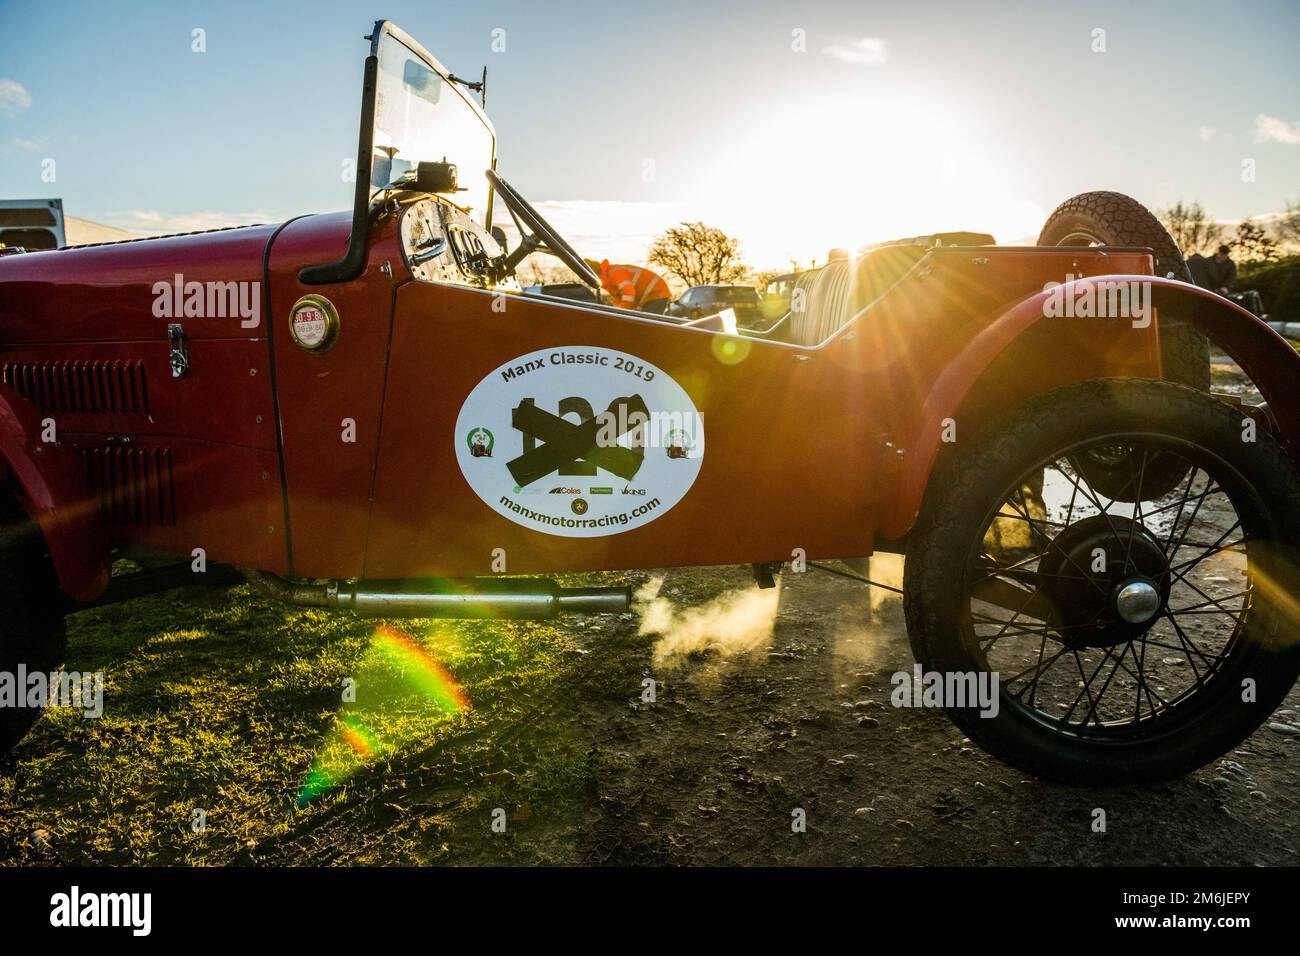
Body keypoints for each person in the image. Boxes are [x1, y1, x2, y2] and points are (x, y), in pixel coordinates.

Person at [586, 259, 673, 313]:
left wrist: (622, 312)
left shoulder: (615, 273)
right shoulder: (608, 279)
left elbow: (629, 294)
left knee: (651, 326)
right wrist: (617, 312)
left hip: (656, 292)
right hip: (653, 294)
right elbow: (620, 299)